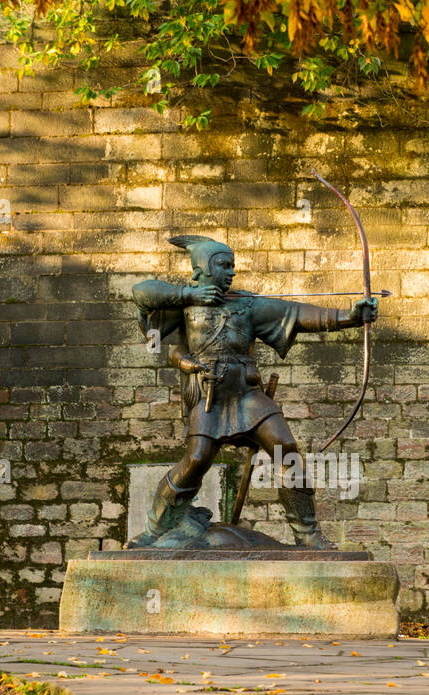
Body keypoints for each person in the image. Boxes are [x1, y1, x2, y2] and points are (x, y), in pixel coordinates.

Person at [129, 234, 376, 549]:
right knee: (196, 460)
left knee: (285, 447)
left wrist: (350, 317)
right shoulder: (185, 302)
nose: (231, 272)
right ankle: (154, 530)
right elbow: (140, 293)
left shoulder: (247, 304)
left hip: (247, 394)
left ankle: (307, 534)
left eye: (232, 265)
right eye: (223, 265)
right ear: (202, 268)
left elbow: (298, 314)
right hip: (210, 395)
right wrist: (187, 295)